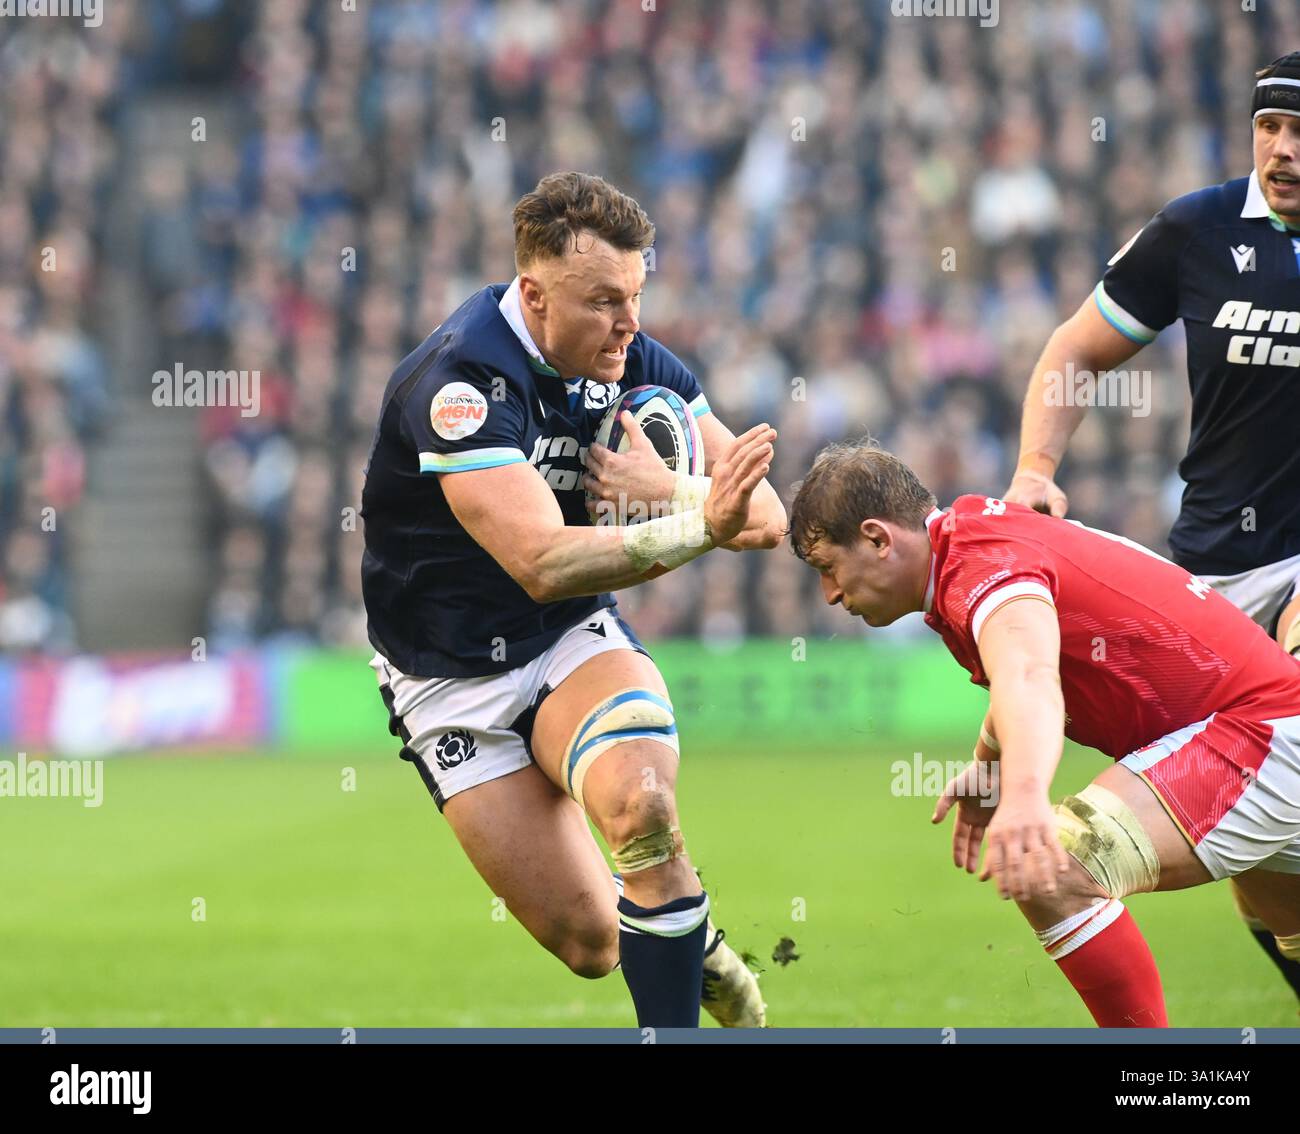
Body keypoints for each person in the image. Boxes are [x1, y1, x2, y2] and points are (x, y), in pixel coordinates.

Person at [359, 171, 785, 1028]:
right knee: (593, 943)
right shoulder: (461, 382)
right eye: (602, 301)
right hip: (446, 681)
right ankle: (688, 939)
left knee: (644, 811)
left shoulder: (634, 361)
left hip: (568, 643)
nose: (628, 323)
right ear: (533, 295)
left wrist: (671, 487)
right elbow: (541, 561)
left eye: (635, 295)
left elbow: (765, 515)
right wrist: (695, 523)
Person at [790, 440, 1300, 1026]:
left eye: (829, 568)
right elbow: (1028, 666)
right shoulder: (973, 536)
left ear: (879, 538)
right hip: (1260, 728)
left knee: (1057, 865)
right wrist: (989, 764)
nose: (829, 594)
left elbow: (1030, 674)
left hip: (1255, 734)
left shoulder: (979, 571)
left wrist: (1027, 794)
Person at [1002, 50, 1300, 1005]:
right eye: (1269, 128)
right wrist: (1034, 472)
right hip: (1211, 580)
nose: (1283, 152)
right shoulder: (1199, 229)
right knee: (1274, 885)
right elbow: (1076, 349)